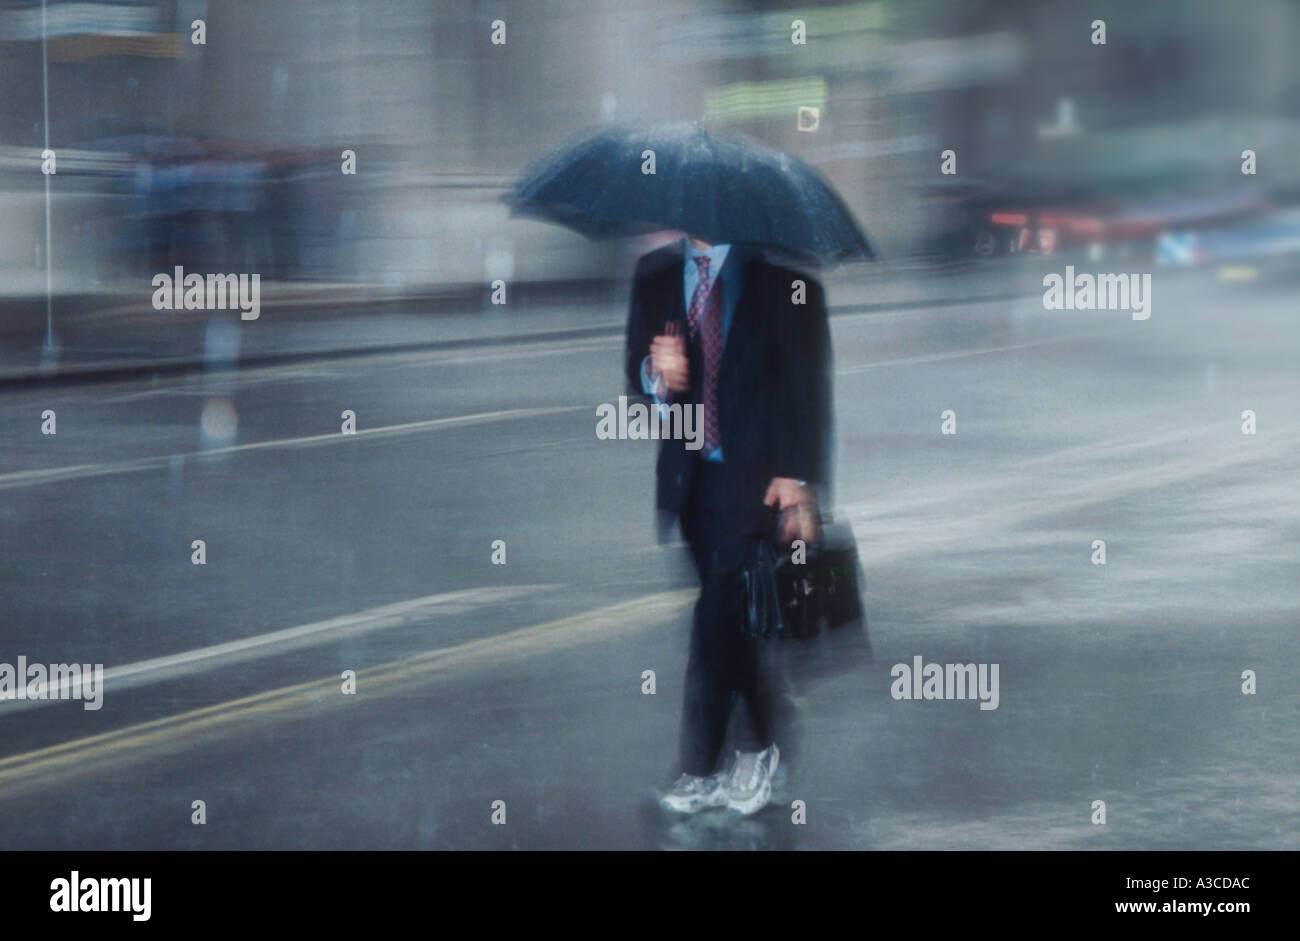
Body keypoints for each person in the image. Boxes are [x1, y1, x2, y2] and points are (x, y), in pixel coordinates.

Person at [624, 234, 833, 815]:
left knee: (715, 617)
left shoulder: (785, 282)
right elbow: (635, 381)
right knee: (733, 625)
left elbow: (808, 384)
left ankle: (704, 764)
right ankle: (767, 737)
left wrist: (799, 476)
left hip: (761, 485)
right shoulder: (655, 276)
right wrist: (656, 374)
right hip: (691, 485)